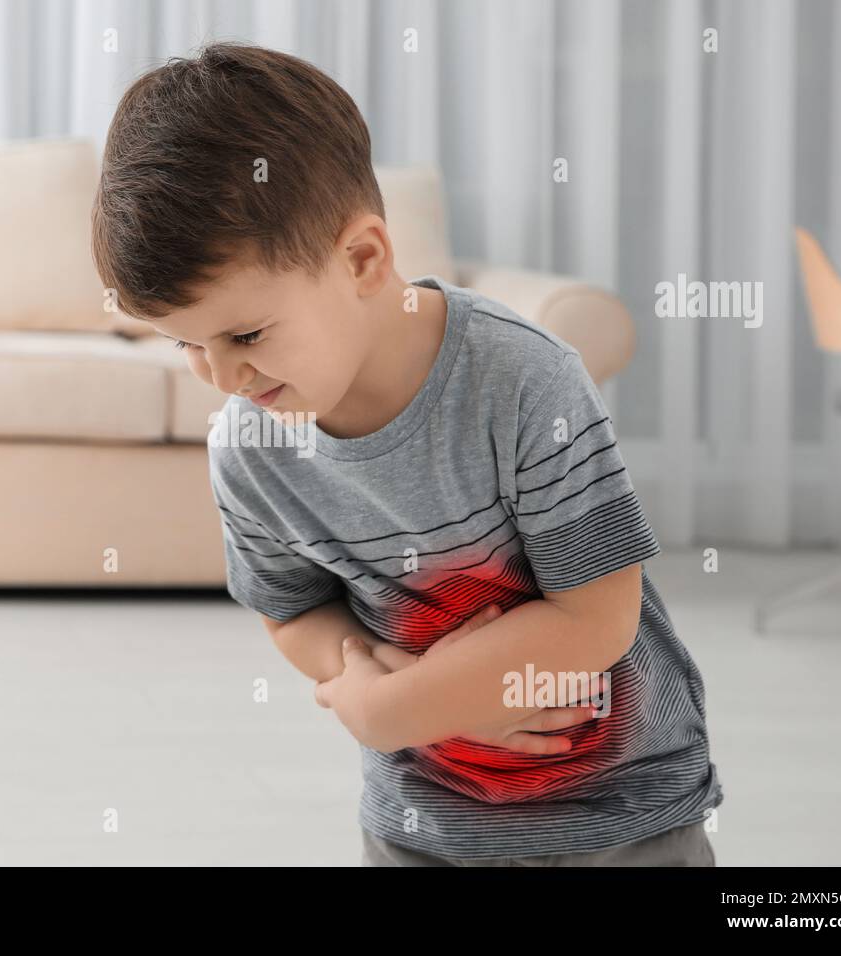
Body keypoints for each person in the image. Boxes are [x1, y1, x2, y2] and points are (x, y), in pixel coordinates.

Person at [91, 41, 722, 866]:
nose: (222, 377)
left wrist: (398, 710)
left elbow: (597, 615)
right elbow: (292, 610)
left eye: (245, 334)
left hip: (624, 817)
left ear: (361, 259)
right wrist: (401, 692)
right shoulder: (251, 449)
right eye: (185, 346)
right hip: (423, 827)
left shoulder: (524, 381)